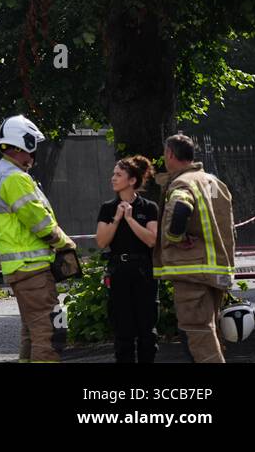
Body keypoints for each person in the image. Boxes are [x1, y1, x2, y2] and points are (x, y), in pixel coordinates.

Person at [0, 114, 76, 362]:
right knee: (51, 333)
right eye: (33, 146)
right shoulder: (15, 178)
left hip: (24, 270)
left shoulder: (6, 172)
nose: (35, 153)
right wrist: (65, 243)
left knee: (32, 334)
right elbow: (39, 222)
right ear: (23, 143)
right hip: (32, 270)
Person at [154, 133, 235, 363]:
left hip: (192, 269)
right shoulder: (214, 181)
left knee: (198, 332)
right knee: (210, 329)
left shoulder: (182, 183)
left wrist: (174, 237)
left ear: (170, 154)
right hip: (216, 267)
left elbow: (179, 209)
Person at [96, 155, 159, 362]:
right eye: (113, 174)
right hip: (119, 271)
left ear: (132, 180)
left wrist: (130, 219)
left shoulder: (149, 207)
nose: (113, 178)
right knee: (123, 331)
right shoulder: (107, 207)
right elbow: (102, 241)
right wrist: (117, 219)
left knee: (146, 331)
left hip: (143, 270)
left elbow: (151, 240)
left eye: (118, 174)